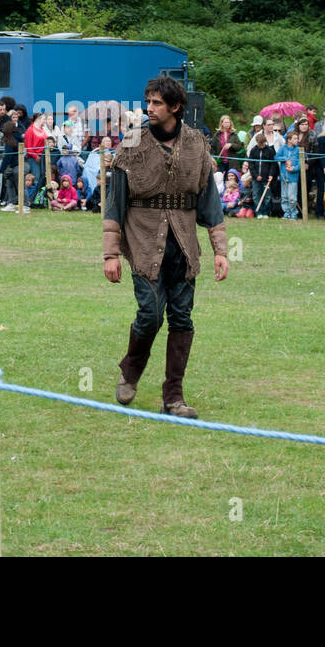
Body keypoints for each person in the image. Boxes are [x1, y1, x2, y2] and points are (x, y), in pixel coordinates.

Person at [104, 76, 228, 420]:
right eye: (148, 102)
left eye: (157, 103)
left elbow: (209, 201)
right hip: (143, 244)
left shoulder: (196, 144)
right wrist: (110, 254)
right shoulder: (131, 143)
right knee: (150, 314)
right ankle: (130, 371)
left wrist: (220, 249)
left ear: (175, 107)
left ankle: (173, 397)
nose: (149, 108)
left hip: (184, 246)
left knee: (182, 319)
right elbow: (114, 203)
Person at [275, 130, 302, 219]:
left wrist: (293, 168)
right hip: (283, 176)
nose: (297, 140)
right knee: (284, 196)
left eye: (297, 138)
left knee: (292, 197)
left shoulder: (298, 150)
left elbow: (301, 163)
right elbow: (276, 157)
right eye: (295, 138)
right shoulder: (283, 148)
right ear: (289, 140)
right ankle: (286, 212)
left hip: (293, 177)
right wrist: (285, 158)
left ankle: (293, 212)